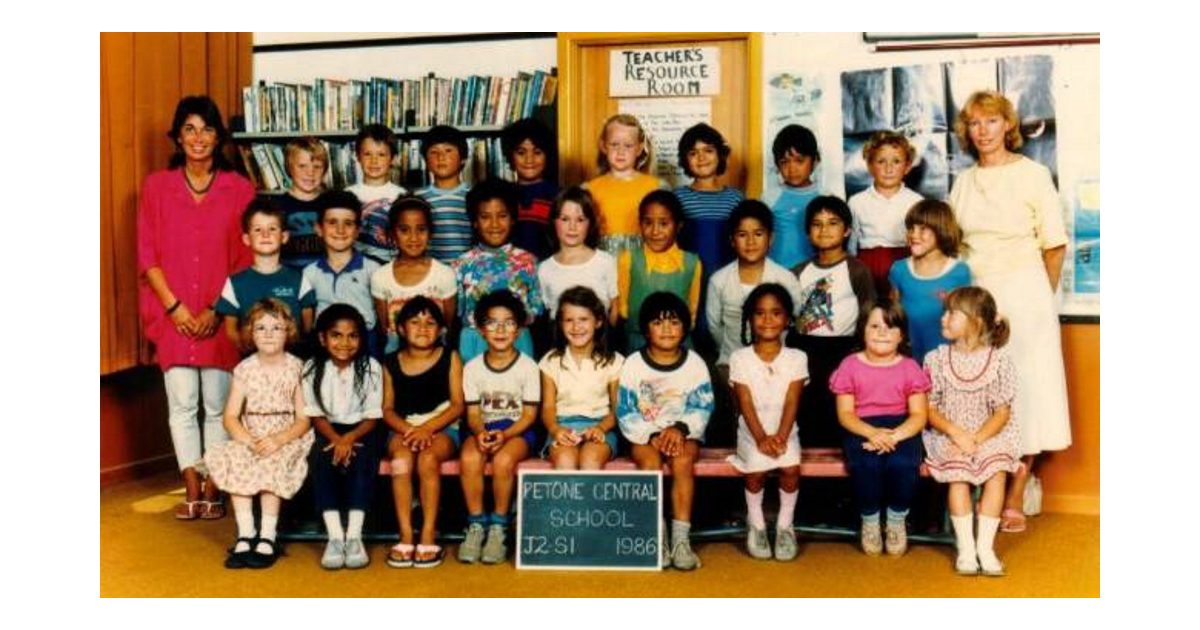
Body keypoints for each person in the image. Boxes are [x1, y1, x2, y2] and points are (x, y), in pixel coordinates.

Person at [948, 90, 1070, 533]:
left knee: (1027, 391)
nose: (983, 131)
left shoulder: (1034, 175)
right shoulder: (963, 182)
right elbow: (954, 245)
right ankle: (983, 484)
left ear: (1008, 126)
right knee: (978, 392)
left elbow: (1054, 246)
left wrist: (1039, 299)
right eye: (974, 124)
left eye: (991, 122)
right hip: (976, 296)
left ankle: (1017, 490)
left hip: (1025, 292)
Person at [137, 95, 254, 521]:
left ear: (218, 136)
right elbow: (147, 255)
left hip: (219, 316)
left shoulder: (239, 189)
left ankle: (213, 483)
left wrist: (212, 310)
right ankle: (191, 484)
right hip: (172, 314)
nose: (198, 138)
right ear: (178, 136)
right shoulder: (156, 187)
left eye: (206, 129)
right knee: (183, 404)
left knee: (216, 404)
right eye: (189, 129)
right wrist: (177, 309)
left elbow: (244, 261)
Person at [205, 298, 314, 569]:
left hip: (286, 435)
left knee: (271, 463)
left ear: (288, 331)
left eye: (276, 328)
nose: (268, 334)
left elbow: (304, 419)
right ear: (250, 334)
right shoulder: (245, 369)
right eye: (260, 328)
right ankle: (246, 534)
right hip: (251, 433)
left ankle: (267, 535)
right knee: (234, 458)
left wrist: (279, 440)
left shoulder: (296, 367)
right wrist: (247, 440)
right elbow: (230, 416)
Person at [923, 287, 1020, 576]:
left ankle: (985, 549)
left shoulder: (999, 361)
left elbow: (1002, 412)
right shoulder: (936, 359)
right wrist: (957, 433)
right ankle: (966, 549)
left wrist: (976, 438)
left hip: (988, 433)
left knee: (996, 471)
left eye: (952, 313)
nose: (943, 318)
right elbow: (928, 407)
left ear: (976, 321)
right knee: (959, 474)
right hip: (949, 433)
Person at [617, 292, 714, 570]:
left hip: (684, 434)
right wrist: (652, 435)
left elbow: (703, 405)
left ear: (685, 327)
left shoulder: (694, 363)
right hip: (645, 435)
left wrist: (680, 428)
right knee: (650, 463)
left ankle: (681, 540)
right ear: (646, 329)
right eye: (658, 323)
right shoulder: (634, 364)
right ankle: (656, 536)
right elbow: (626, 410)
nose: (667, 329)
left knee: (683, 461)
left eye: (674, 322)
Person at [830, 300, 930, 557]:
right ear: (862, 330)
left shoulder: (909, 367)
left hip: (902, 426)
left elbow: (919, 414)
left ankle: (896, 520)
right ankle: (871, 521)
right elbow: (845, 413)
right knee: (867, 464)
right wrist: (872, 433)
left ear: (902, 335)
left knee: (903, 463)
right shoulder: (850, 365)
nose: (882, 332)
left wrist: (894, 436)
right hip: (861, 427)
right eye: (874, 326)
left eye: (890, 327)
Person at [457, 290, 541, 565]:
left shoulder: (528, 368)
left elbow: (529, 415)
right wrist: (481, 432)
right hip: (484, 425)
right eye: (493, 323)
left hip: (517, 428)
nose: (501, 329)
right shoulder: (471, 368)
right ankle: (476, 523)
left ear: (518, 331)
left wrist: (504, 435)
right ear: (481, 330)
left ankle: (499, 525)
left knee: (504, 460)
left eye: (509, 323)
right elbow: (471, 413)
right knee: (469, 457)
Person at [381, 296, 465, 569]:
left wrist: (427, 429)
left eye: (431, 323)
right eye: (415, 322)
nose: (423, 328)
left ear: (441, 329)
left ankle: (428, 532)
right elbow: (387, 409)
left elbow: (457, 405)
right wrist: (411, 430)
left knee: (428, 459)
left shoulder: (450, 357)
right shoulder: (390, 362)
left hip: (441, 427)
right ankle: (406, 533)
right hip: (404, 428)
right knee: (402, 462)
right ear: (401, 329)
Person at [726, 284, 807, 562]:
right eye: (759, 313)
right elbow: (745, 403)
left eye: (776, 313)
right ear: (749, 319)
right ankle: (757, 524)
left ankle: (785, 525)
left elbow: (791, 401)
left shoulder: (797, 358)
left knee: (790, 467)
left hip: (786, 430)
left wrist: (782, 437)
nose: (768, 320)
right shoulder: (739, 358)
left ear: (787, 319)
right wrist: (761, 438)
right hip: (752, 432)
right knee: (756, 471)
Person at [302, 304, 383, 571]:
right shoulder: (312, 368)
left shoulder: (370, 367)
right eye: (336, 335)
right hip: (328, 428)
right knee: (321, 459)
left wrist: (349, 439)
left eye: (353, 336)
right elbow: (315, 415)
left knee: (362, 459)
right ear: (323, 338)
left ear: (361, 339)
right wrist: (336, 439)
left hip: (362, 429)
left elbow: (372, 416)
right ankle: (336, 536)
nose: (345, 343)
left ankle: (354, 536)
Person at [792, 195, 875, 447]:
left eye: (833, 223)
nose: (824, 230)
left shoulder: (857, 269)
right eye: (817, 224)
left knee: (836, 411)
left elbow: (868, 313)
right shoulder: (797, 271)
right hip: (804, 349)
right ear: (807, 232)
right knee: (806, 412)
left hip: (842, 350)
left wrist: (861, 352)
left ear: (847, 230)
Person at [453, 179, 542, 363]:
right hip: (475, 343)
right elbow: (458, 313)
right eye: (485, 217)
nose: (494, 224)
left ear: (513, 218)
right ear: (475, 222)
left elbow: (536, 309)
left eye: (502, 215)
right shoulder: (461, 265)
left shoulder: (528, 262)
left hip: (517, 341)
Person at [539, 287, 623, 470]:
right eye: (569, 320)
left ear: (598, 321)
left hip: (600, 427)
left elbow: (618, 409)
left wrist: (600, 429)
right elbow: (548, 407)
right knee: (565, 461)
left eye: (584, 319)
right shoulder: (551, 361)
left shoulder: (613, 361)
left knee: (590, 459)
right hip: (562, 427)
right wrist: (555, 430)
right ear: (560, 325)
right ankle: (566, 501)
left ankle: (589, 501)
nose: (576, 327)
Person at [215, 200, 316, 351]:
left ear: (284, 237)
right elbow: (231, 332)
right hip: (254, 367)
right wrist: (258, 359)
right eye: (257, 230)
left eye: (272, 229)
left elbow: (307, 329)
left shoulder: (300, 280)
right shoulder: (235, 283)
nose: (265, 234)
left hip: (292, 364)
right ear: (246, 239)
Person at [370, 196, 458, 355]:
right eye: (404, 230)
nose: (413, 237)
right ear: (392, 233)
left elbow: (448, 327)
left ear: (430, 232)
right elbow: (385, 330)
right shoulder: (380, 277)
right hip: (398, 361)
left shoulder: (445, 275)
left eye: (421, 229)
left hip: (436, 360)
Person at [888, 199, 972, 365]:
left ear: (941, 231)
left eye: (923, 229)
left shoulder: (960, 272)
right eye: (911, 228)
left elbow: (965, 321)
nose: (913, 234)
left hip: (948, 361)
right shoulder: (899, 269)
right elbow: (892, 317)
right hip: (908, 359)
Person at [617, 190, 702, 352]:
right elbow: (623, 311)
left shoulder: (692, 263)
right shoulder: (628, 259)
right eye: (648, 223)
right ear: (640, 224)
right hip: (638, 345)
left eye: (664, 224)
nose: (655, 231)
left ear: (678, 226)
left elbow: (691, 312)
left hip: (679, 347)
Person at [302, 190, 383, 359]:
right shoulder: (310, 273)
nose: (340, 230)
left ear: (358, 230)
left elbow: (382, 319)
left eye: (348, 223)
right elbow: (307, 324)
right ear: (318, 228)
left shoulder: (372, 269)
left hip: (365, 348)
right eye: (332, 222)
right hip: (325, 351)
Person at [848, 130, 924, 297]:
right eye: (881, 161)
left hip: (905, 264)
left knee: (900, 313)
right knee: (869, 313)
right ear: (869, 166)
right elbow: (851, 246)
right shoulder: (857, 202)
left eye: (896, 161)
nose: (889, 168)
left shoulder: (916, 201)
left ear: (907, 167)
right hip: (867, 267)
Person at [674, 123, 744, 291]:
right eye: (693, 153)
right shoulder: (678, 197)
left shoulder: (736, 198)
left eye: (708, 151)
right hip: (688, 279)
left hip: (728, 279)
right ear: (685, 160)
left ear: (720, 155)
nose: (701, 157)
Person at [537, 186, 619, 326]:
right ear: (553, 222)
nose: (572, 227)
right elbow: (549, 314)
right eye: (565, 219)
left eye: (580, 220)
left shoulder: (605, 262)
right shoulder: (544, 269)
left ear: (590, 223)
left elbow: (614, 310)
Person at [584, 113, 663, 255]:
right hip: (603, 263)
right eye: (614, 144)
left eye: (628, 145)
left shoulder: (656, 187)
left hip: (643, 263)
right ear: (603, 146)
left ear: (639, 149)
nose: (620, 152)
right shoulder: (589, 189)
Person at [347, 124, 407, 263]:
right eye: (367, 154)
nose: (374, 161)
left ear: (393, 159)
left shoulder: (401, 195)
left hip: (391, 267)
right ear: (358, 157)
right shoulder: (348, 195)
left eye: (381, 154)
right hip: (356, 267)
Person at [766, 124, 822, 269]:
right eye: (784, 162)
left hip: (814, 274)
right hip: (777, 272)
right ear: (777, 165)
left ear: (815, 161)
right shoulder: (770, 196)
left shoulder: (824, 197)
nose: (792, 169)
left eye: (799, 161)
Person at [503, 118, 558, 261]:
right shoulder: (504, 195)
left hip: (547, 270)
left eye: (537, 152)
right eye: (521, 153)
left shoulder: (558, 196)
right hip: (511, 271)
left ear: (548, 156)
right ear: (510, 156)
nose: (529, 159)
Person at [416, 125, 473, 262]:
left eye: (448, 151)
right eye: (433, 152)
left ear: (463, 158)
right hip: (432, 274)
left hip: (468, 270)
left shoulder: (473, 196)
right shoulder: (418, 199)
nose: (441, 157)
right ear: (426, 161)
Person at [278, 137, 329, 270]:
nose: (310, 173)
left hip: (323, 277)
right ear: (289, 168)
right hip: (290, 277)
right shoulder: (278, 206)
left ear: (324, 170)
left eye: (317, 167)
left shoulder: (330, 203)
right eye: (302, 166)